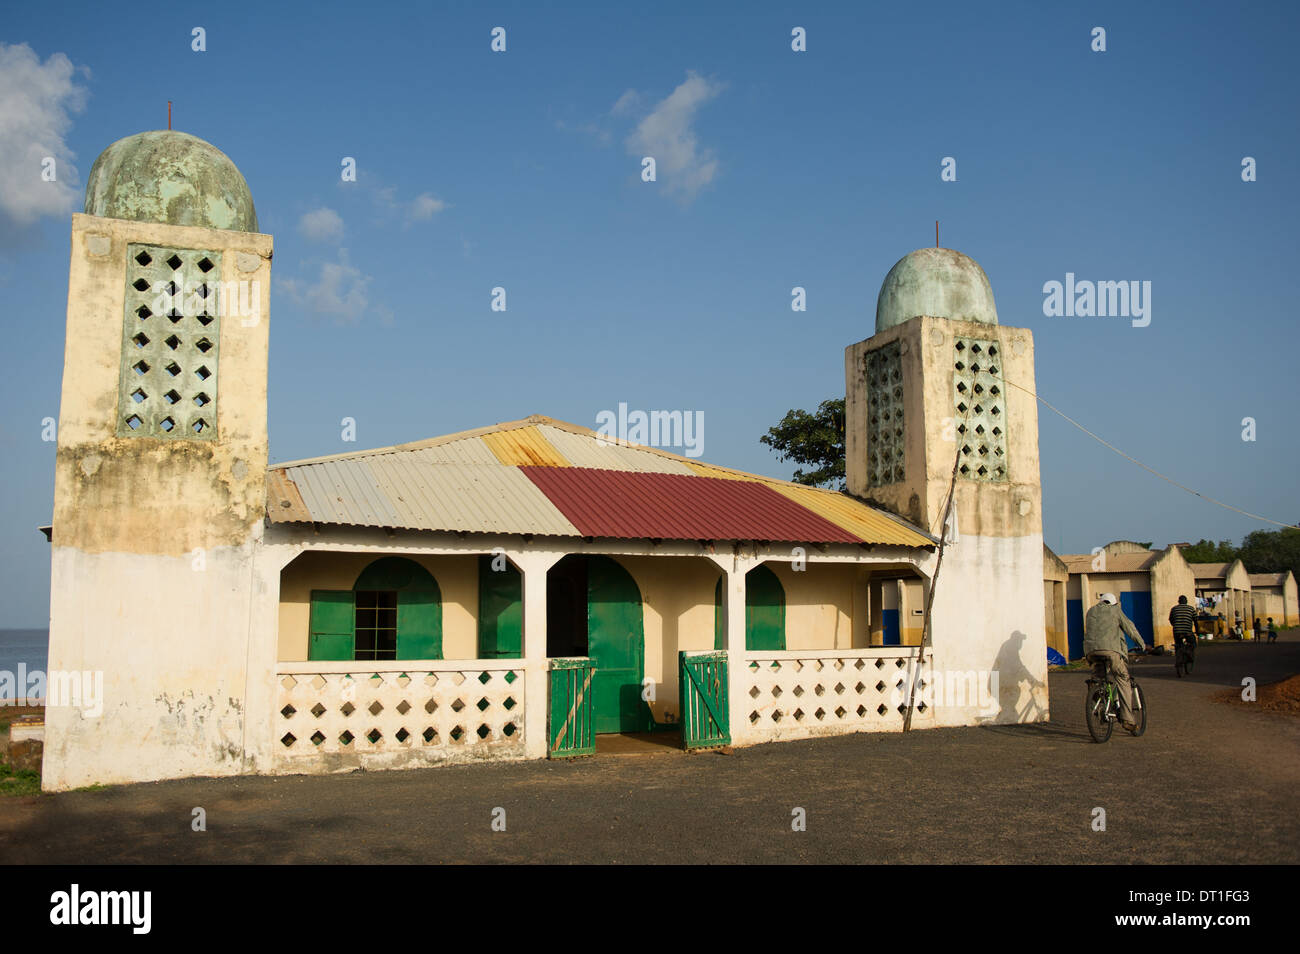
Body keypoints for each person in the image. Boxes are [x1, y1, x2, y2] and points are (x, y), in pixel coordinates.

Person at [1085, 593, 1145, 731]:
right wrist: (1141, 643)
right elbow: (1130, 628)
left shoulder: (1091, 611)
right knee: (1123, 678)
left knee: (1098, 678)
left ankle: (1097, 695)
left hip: (1091, 652)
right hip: (1110, 651)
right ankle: (1127, 720)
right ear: (1113, 603)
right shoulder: (1115, 610)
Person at [1169, 595, 1197, 676]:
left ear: (1178, 601)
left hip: (1177, 631)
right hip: (1188, 632)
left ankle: (1178, 657)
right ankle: (1190, 655)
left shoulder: (1174, 609)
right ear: (1186, 601)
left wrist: (1176, 626)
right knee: (1193, 643)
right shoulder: (1191, 609)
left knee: (1178, 645)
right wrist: (1197, 631)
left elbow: (1171, 620)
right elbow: (1195, 621)